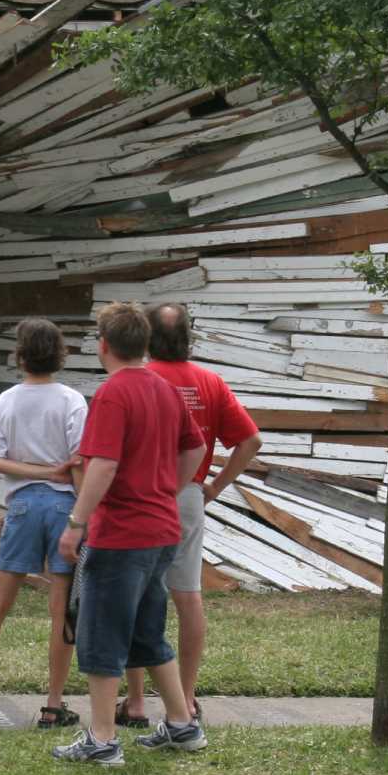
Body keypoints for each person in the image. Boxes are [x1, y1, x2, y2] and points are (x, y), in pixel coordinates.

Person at [50, 302, 206, 766]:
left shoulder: (114, 393)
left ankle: (101, 738)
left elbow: (103, 464)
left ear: (103, 345)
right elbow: (195, 447)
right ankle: (182, 724)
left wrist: (77, 523)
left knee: (100, 633)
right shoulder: (163, 389)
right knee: (146, 630)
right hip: (162, 529)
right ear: (144, 344)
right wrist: (166, 488)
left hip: (121, 533)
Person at [119, 302, 263, 727]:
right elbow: (251, 441)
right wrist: (215, 486)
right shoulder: (210, 382)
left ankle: (136, 701)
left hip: (142, 495)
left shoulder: (138, 380)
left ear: (147, 335)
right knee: (188, 595)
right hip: (188, 497)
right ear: (188, 336)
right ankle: (187, 697)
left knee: (134, 595)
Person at [0, 318, 85, 730]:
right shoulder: (72, 401)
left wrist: (36, 471)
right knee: (60, 609)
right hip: (64, 507)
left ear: (20, 355)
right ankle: (53, 703)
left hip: (22, 504)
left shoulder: (6, 401)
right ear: (59, 355)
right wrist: (69, 492)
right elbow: (79, 462)